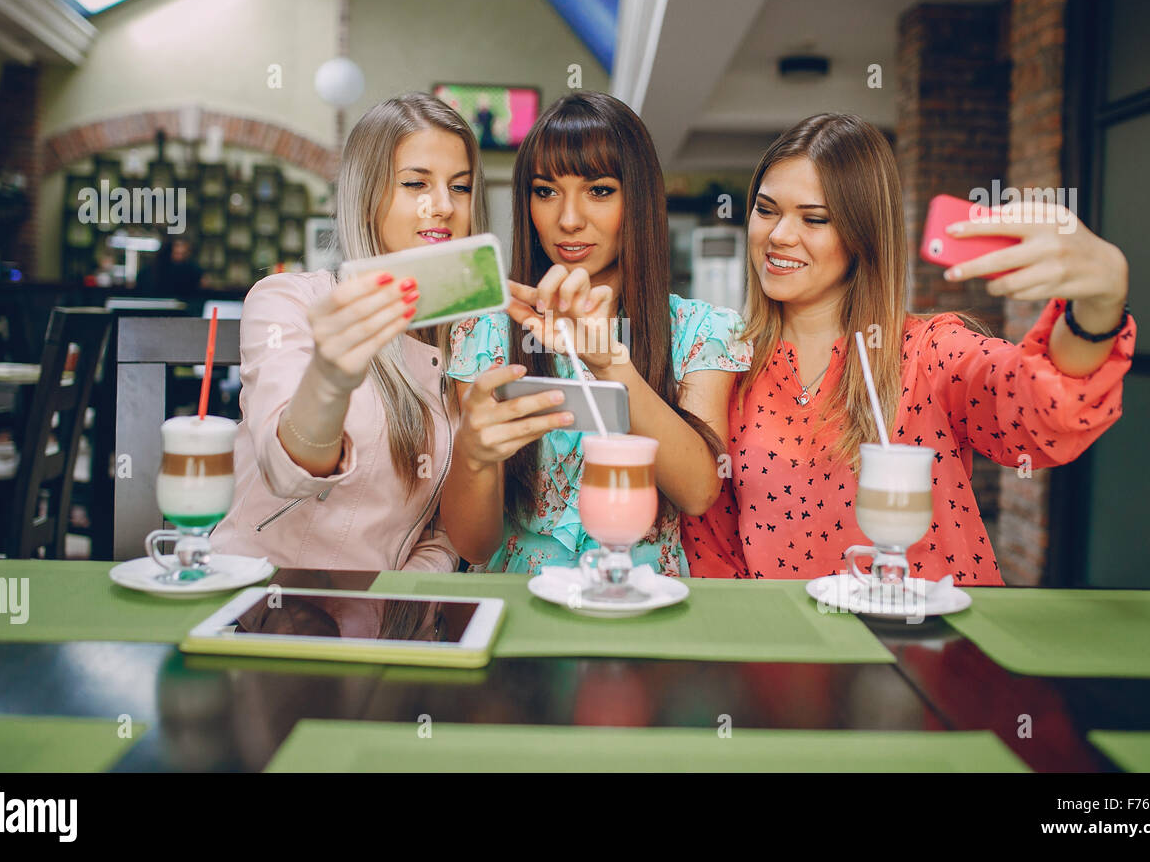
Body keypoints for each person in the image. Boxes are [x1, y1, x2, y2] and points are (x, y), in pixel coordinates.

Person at [684, 113, 1134, 583]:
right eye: (766, 209)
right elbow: (713, 545)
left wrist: (1098, 305)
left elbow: (1040, 407)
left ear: (863, 234)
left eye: (814, 218)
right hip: (788, 648)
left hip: (928, 641)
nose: (779, 235)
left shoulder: (929, 351)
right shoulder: (724, 365)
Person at [441, 91, 751, 575]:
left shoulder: (702, 330)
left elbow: (697, 492)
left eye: (599, 190)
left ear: (640, 199)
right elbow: (475, 546)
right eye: (545, 191)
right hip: (519, 609)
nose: (568, 219)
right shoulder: (486, 335)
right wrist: (473, 457)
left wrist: (611, 363)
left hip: (644, 607)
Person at [212, 93, 487, 569]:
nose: (442, 205)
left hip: (382, 627)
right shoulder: (288, 300)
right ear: (366, 197)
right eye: (416, 183)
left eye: (460, 188)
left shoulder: (473, 340)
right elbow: (287, 471)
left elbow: (441, 534)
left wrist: (396, 616)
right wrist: (330, 377)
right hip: (253, 600)